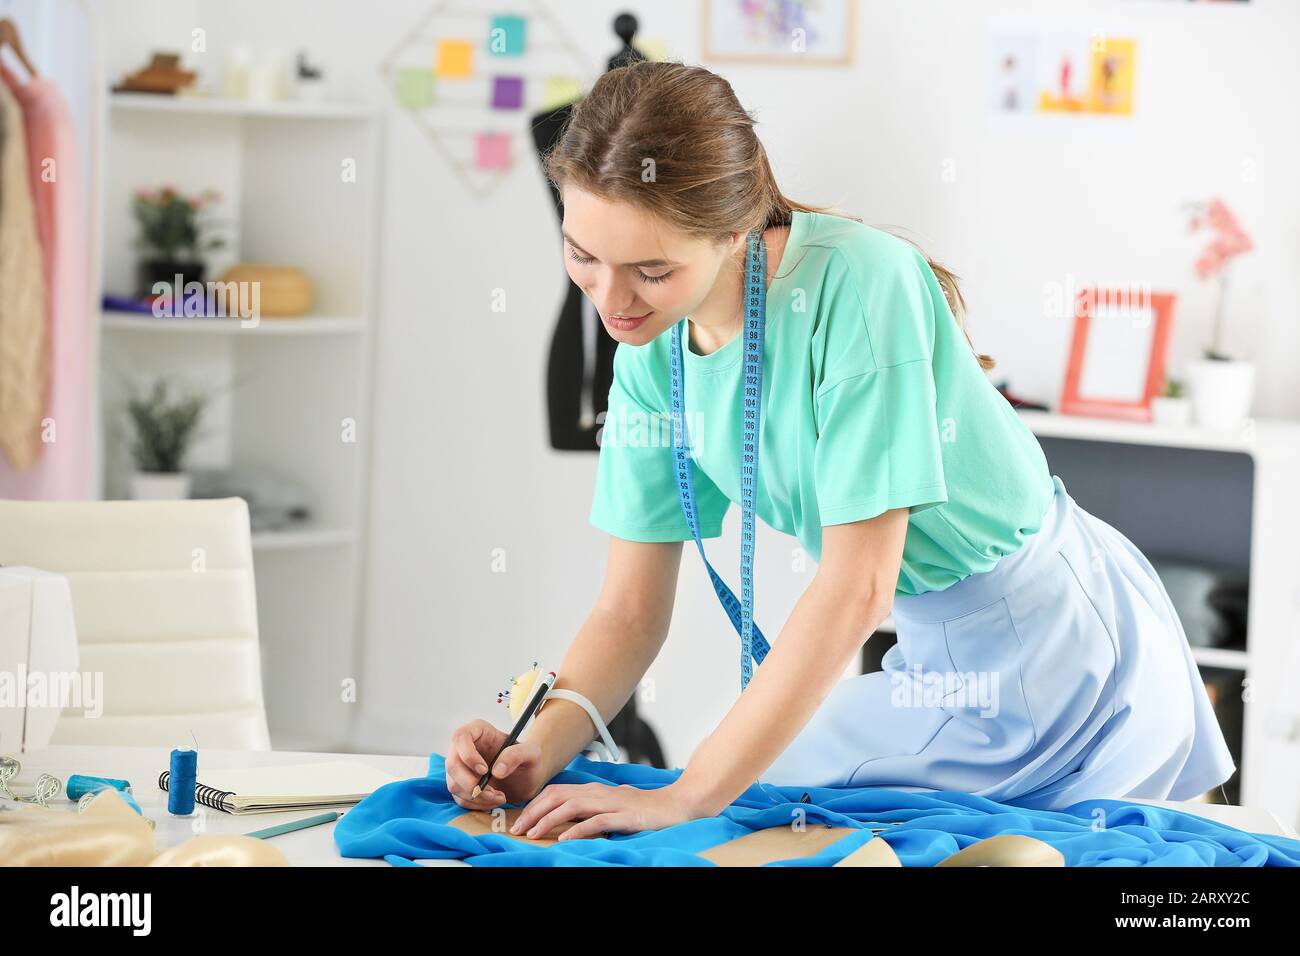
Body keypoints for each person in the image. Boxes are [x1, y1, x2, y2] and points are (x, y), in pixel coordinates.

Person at [445, 60, 1236, 840]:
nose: (612, 301)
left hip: (1055, 643)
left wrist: (686, 796)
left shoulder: (860, 284)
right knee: (769, 811)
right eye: (583, 256)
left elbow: (859, 586)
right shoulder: (653, 354)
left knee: (767, 817)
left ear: (732, 230)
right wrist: (537, 746)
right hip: (935, 645)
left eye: (651, 270)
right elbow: (627, 610)